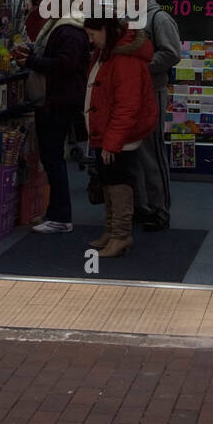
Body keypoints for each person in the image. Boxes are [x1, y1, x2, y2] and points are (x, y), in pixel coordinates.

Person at [83, 14, 157, 258]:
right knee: (108, 179)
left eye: (93, 34)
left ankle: (121, 234)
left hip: (119, 135)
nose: (90, 40)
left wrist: (112, 142)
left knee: (117, 181)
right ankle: (113, 231)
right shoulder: (111, 53)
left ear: (106, 30)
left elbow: (127, 106)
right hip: (110, 133)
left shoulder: (123, 60)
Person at [12, 11, 90, 234]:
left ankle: (61, 216)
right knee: (52, 156)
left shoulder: (68, 30)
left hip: (57, 100)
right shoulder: (64, 28)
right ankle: (56, 213)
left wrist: (32, 61)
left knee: (53, 156)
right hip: (56, 99)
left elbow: (65, 65)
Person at [122, 0, 182, 231]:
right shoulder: (126, 18)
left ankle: (160, 209)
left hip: (152, 92)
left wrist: (142, 68)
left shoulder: (159, 18)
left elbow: (172, 54)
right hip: (129, 94)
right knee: (133, 151)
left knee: (152, 152)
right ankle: (141, 206)